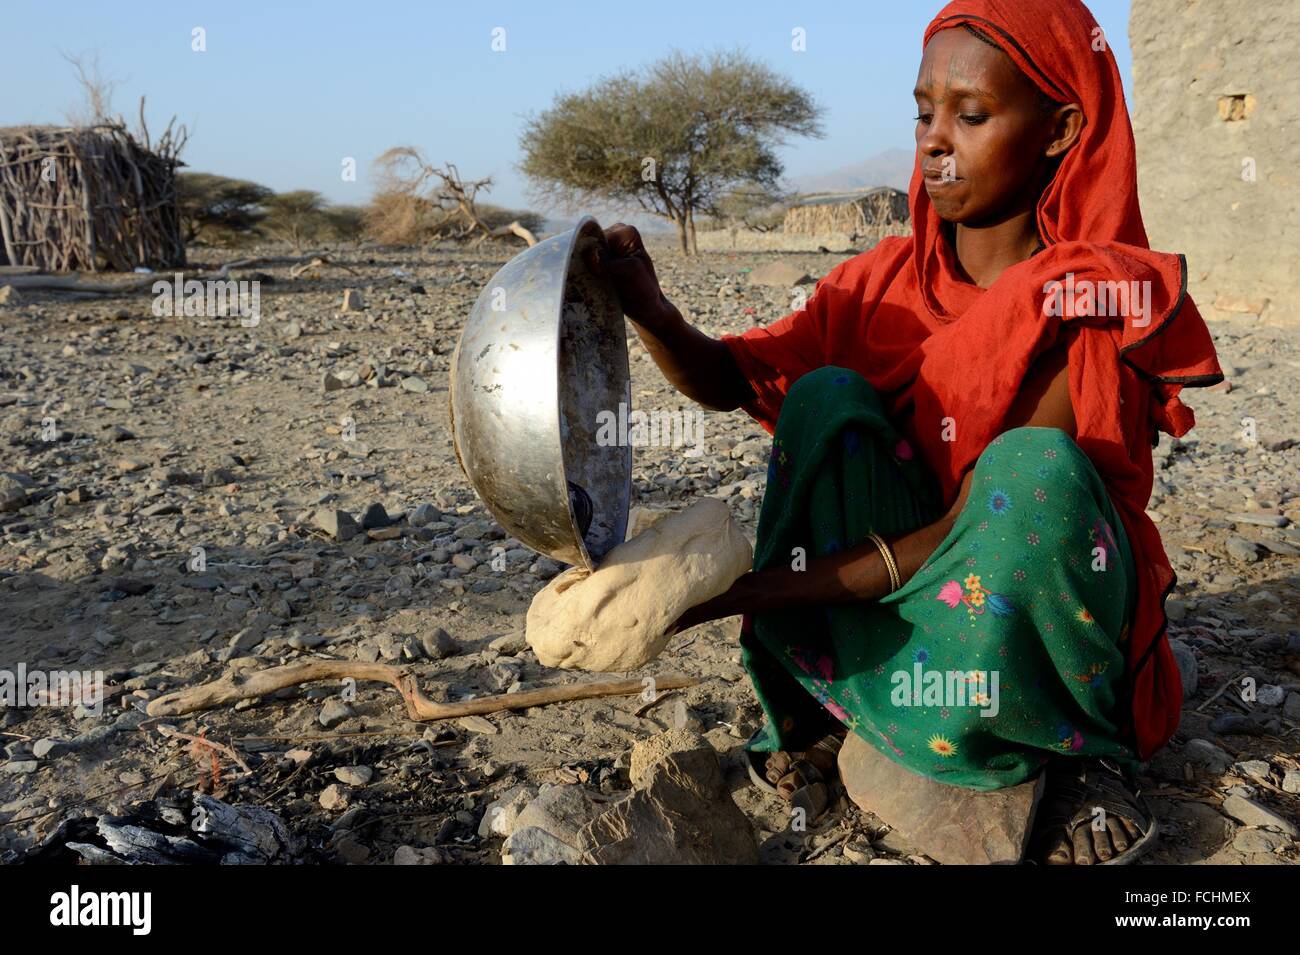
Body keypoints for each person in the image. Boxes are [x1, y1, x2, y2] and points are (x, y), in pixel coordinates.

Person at [594, 0, 1222, 864]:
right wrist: (650, 306)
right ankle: (832, 708)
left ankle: (1066, 751)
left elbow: (975, 528)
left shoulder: (1085, 297)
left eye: (971, 116)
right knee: (823, 400)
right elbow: (736, 379)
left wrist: (733, 594)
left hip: (1015, 596)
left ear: (1059, 128)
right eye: (924, 111)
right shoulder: (882, 282)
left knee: (1035, 472)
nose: (934, 139)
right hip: (906, 586)